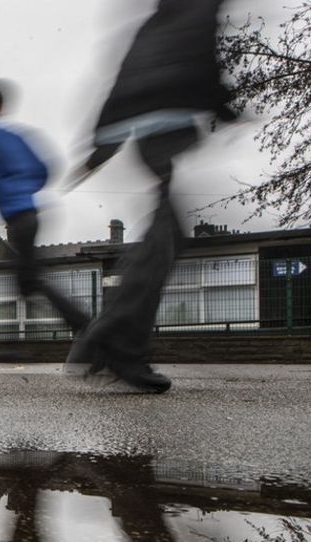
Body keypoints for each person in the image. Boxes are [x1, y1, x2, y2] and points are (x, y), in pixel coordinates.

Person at [65, 0, 236, 393]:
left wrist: (98, 148)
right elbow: (202, 59)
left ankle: (111, 337)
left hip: (143, 128)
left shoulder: (155, 21)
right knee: (166, 234)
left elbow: (121, 80)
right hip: (163, 124)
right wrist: (224, 107)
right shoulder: (197, 9)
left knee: (167, 233)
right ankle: (112, 339)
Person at [0, 82, 90, 336]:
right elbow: (44, 170)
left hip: (19, 219)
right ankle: (18, 344)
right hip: (30, 216)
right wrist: (22, 187)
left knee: (30, 280)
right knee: (24, 280)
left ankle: (85, 325)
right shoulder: (15, 138)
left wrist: (3, 188)